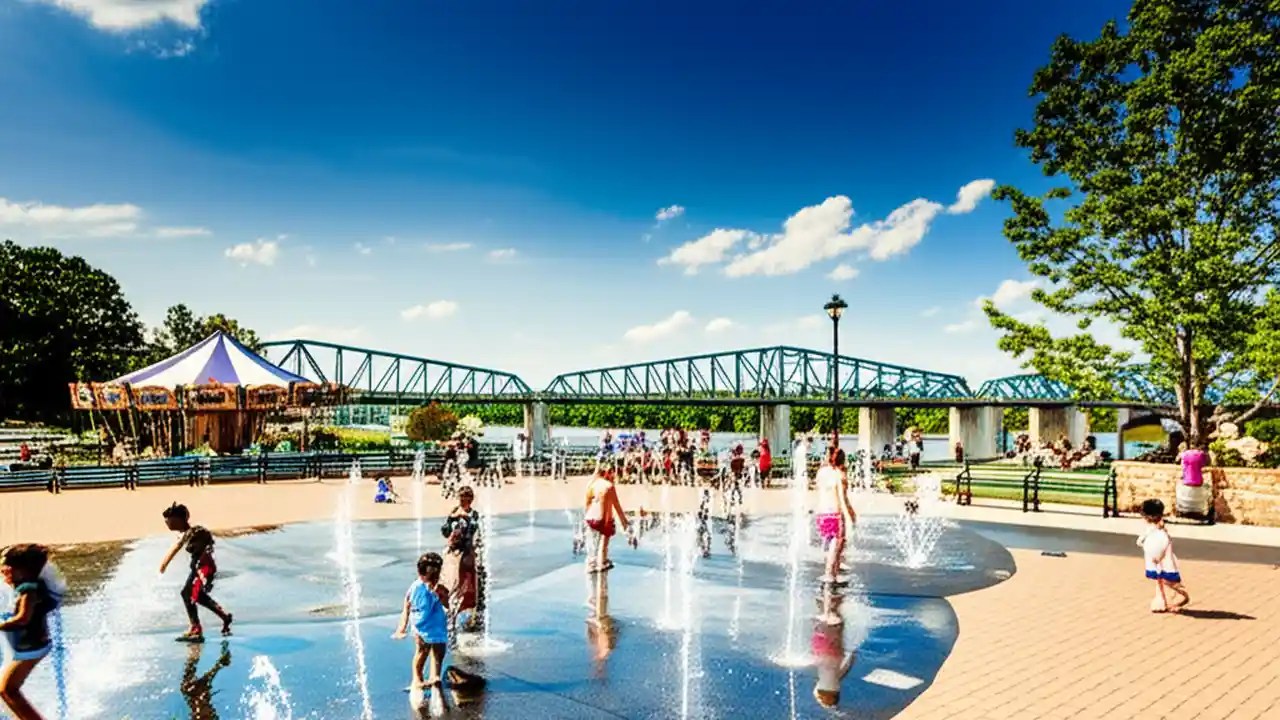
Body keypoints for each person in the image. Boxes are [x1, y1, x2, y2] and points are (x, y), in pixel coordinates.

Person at [0, 544, 63, 720]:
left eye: (6, 568)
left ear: (22, 570)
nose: (3, 572)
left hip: (33, 647)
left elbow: (23, 618)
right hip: (33, 644)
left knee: (8, 690)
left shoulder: (29, 590)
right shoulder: (28, 586)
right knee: (8, 690)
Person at [159, 503, 233, 642]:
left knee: (191, 594)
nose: (167, 524)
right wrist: (164, 564)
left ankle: (197, 628)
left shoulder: (196, 531)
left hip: (203, 568)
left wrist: (164, 564)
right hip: (197, 569)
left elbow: (201, 542)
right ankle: (222, 617)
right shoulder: (187, 534)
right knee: (192, 595)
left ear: (179, 520)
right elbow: (178, 545)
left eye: (169, 520)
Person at [392, 552, 450, 699]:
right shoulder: (416, 588)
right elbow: (406, 607)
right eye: (431, 577)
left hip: (437, 624)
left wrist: (443, 597)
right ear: (420, 573)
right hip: (421, 626)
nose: (434, 580)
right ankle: (417, 678)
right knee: (422, 652)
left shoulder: (439, 587)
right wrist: (401, 627)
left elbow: (447, 604)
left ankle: (435, 675)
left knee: (439, 650)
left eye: (436, 576)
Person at [1138, 499, 1190, 613]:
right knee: (1160, 580)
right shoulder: (1156, 530)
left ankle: (1181, 594)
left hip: (1162, 559)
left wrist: (1156, 553)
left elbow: (1160, 542)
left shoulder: (1159, 532)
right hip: (1157, 559)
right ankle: (1161, 601)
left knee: (1166, 579)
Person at [815, 448, 856, 584]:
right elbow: (842, 498)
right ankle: (829, 574)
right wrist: (850, 514)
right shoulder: (840, 475)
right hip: (835, 513)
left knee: (831, 542)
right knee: (837, 543)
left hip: (821, 513)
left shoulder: (821, 473)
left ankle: (834, 572)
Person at [440, 487, 480, 626]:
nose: (464, 501)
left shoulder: (474, 514)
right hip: (453, 554)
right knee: (452, 582)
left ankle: (471, 617)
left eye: (467, 498)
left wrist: (466, 519)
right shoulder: (454, 512)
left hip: (467, 554)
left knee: (468, 584)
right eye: (462, 498)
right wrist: (451, 519)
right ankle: (451, 614)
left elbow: (474, 529)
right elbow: (445, 531)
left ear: (471, 499)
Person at [811, 588, 856, 708]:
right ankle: (829, 592)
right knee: (828, 618)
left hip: (830, 649)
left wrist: (851, 655)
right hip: (824, 649)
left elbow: (849, 662)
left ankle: (830, 593)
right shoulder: (830, 678)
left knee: (832, 619)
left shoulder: (835, 677)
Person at [584, 467, 632, 572]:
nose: (614, 477)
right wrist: (625, 524)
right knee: (604, 541)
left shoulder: (592, 484)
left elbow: (587, 503)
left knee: (592, 540)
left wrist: (586, 518)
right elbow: (617, 506)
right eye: (614, 475)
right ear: (608, 473)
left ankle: (591, 563)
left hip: (590, 517)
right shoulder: (609, 486)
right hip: (603, 518)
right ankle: (602, 561)